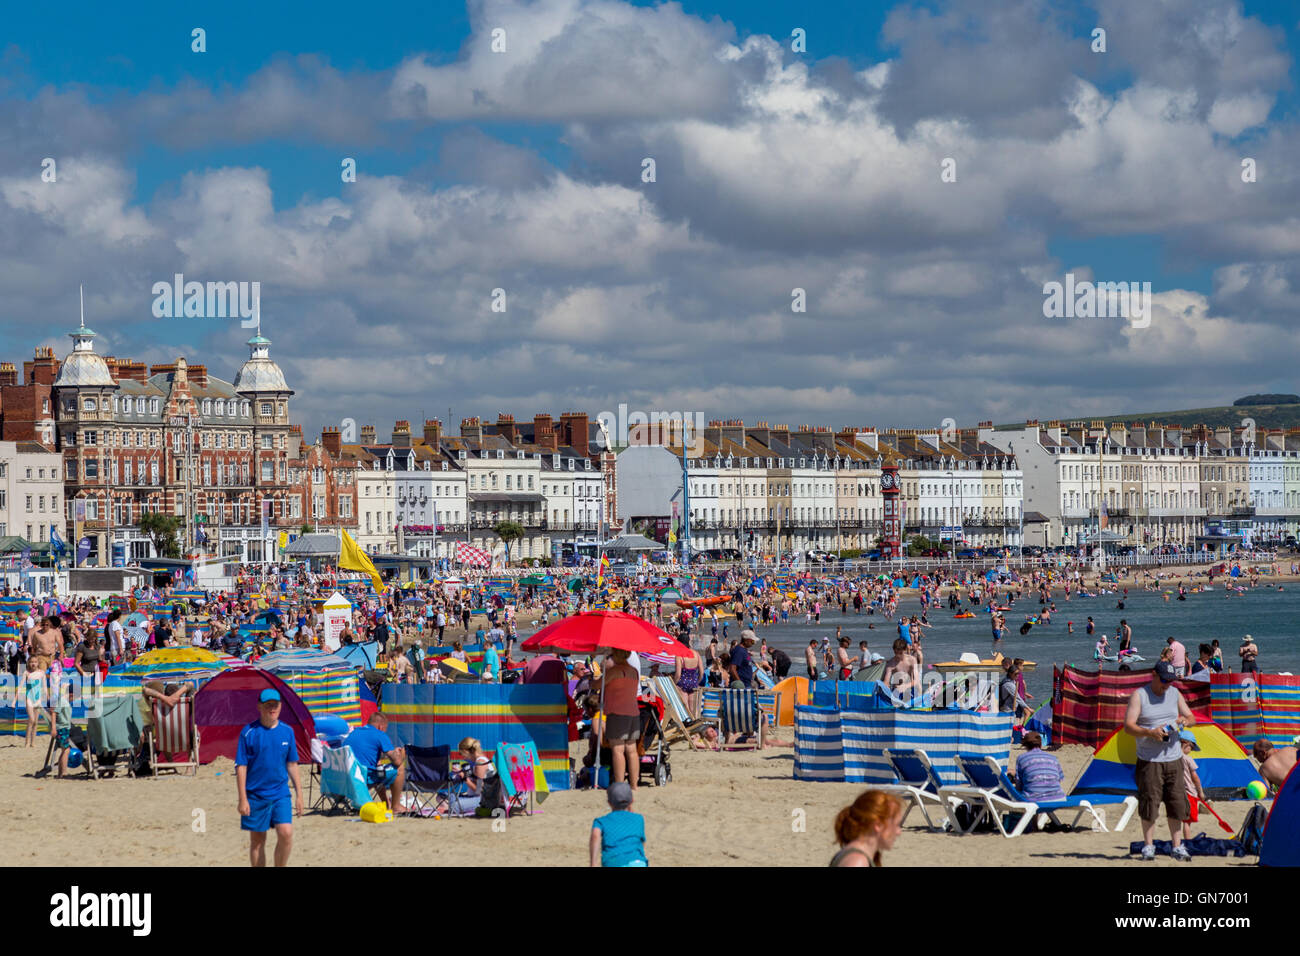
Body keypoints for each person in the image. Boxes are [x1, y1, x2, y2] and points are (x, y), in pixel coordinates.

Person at [1124, 661, 1196, 862]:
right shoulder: (1140, 695)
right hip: (1149, 760)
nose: (1167, 685)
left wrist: (1183, 721)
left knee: (1176, 804)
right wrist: (1150, 732)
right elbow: (1128, 727)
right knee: (1149, 805)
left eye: (1170, 681)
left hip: (1174, 759)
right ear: (1154, 674)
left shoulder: (1174, 693)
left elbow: (1192, 717)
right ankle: (1148, 846)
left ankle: (1177, 846)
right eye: (1164, 680)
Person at [236, 689, 303, 867]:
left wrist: (299, 795)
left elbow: (292, 764)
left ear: (280, 706)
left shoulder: (287, 732)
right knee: (257, 841)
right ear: (260, 706)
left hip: (280, 793)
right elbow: (241, 766)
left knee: (286, 833)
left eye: (275, 704)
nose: (272, 708)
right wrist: (243, 799)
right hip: (255, 795)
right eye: (268, 705)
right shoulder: (249, 732)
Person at [591, 648, 641, 789]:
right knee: (631, 750)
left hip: (617, 713)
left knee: (618, 750)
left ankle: (619, 784)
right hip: (633, 712)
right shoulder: (634, 671)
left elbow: (597, 684)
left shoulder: (615, 671)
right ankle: (634, 785)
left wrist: (594, 678)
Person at [343, 713, 408, 813]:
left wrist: (386, 754)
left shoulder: (354, 733)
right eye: (385, 728)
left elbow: (366, 753)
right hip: (364, 778)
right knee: (400, 768)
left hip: (346, 778)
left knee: (379, 768)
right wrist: (402, 753)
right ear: (380, 727)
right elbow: (397, 761)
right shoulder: (380, 734)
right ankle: (396, 806)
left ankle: (386, 804)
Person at [829, 790, 904, 867]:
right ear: (878, 825)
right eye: (896, 825)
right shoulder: (857, 861)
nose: (899, 832)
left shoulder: (857, 855)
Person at [589, 781, 647, 867]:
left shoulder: (601, 821)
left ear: (609, 803)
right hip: (637, 862)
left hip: (613, 862)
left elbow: (595, 836)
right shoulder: (639, 819)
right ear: (632, 801)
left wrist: (593, 862)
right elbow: (641, 841)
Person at [1012, 731, 1065, 801]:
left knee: (1015, 795)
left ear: (1025, 746)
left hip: (1033, 799)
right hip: (1058, 798)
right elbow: (1059, 779)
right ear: (1040, 744)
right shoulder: (1053, 758)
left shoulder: (1021, 758)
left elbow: (1019, 786)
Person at [1179, 731, 1209, 841]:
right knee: (1187, 822)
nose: (1191, 751)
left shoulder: (1171, 758)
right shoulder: (1188, 759)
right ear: (1186, 744)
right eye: (1191, 747)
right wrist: (1200, 792)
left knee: (1177, 819)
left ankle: (1176, 841)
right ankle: (1187, 841)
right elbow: (1195, 777)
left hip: (1176, 793)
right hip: (1189, 794)